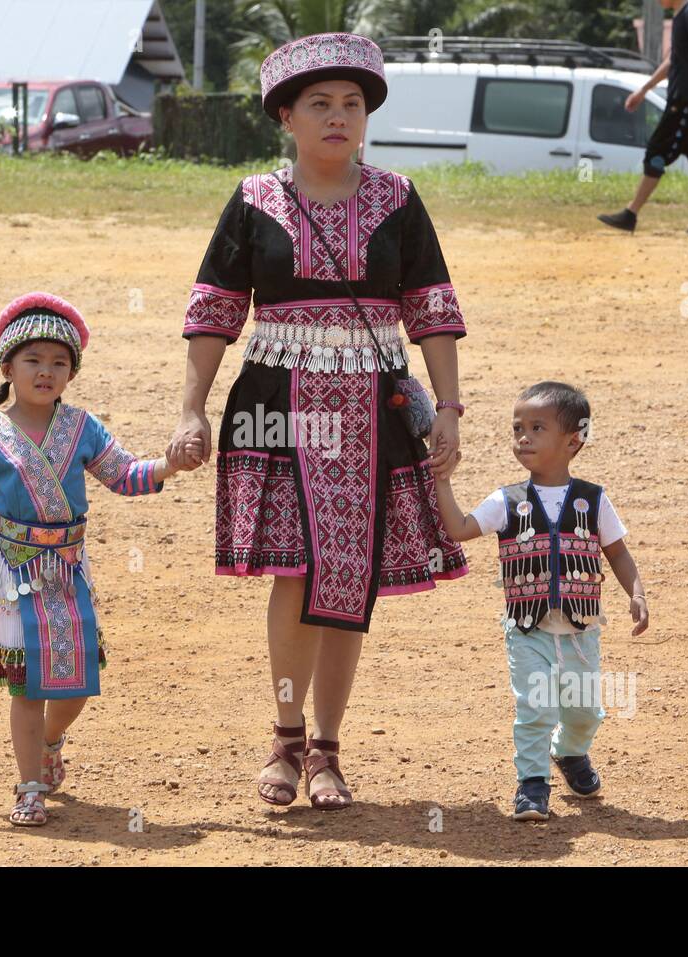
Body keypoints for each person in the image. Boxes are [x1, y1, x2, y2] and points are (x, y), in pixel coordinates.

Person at [168, 33, 469, 810]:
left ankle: (328, 750)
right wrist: (190, 408)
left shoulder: (399, 199)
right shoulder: (252, 200)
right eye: (320, 105)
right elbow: (213, 314)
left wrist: (452, 409)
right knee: (296, 566)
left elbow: (431, 309)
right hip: (276, 405)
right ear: (286, 118)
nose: (339, 118)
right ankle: (285, 737)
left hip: (375, 404)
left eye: (353, 105)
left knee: (349, 569)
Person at [0, 292, 194, 826]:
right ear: (7, 367)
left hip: (69, 572)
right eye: (33, 360)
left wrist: (167, 467)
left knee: (77, 681)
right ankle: (29, 786)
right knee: (30, 682)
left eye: (59, 363)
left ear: (71, 373)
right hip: (14, 572)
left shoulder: (83, 428)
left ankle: (52, 741)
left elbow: (123, 475)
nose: (46, 372)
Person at [434, 382, 649, 822]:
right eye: (517, 429)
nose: (523, 438)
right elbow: (458, 528)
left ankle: (570, 752)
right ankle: (532, 784)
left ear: (574, 441)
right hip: (527, 630)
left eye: (536, 428)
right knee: (535, 706)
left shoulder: (594, 499)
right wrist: (443, 480)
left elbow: (618, 552)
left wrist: (638, 593)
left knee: (585, 711)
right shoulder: (506, 500)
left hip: (581, 632)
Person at [598, 0, 688, 235]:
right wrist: (644, 89)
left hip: (687, 103)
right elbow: (673, 61)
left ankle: (630, 214)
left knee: (657, 153)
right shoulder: (681, 16)